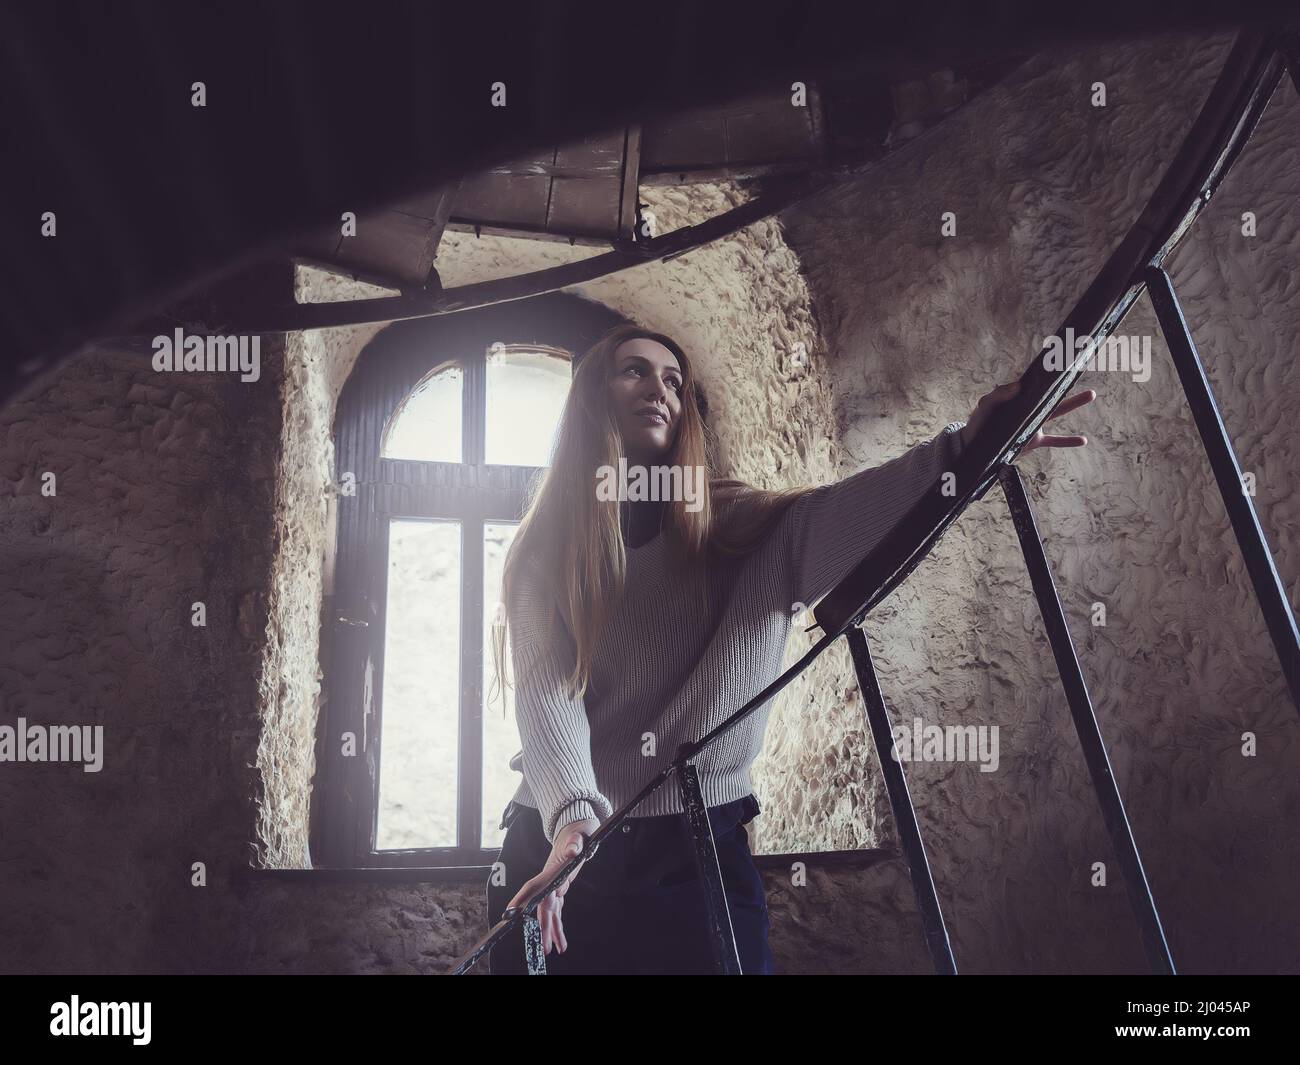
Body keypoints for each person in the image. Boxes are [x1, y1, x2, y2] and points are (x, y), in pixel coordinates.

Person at [484, 322, 1093, 974]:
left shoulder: (747, 530)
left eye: (673, 380)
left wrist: (968, 448)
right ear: (592, 398)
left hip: (696, 848)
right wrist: (573, 825)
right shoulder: (544, 553)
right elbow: (548, 691)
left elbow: (855, 511)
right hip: (555, 847)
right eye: (634, 370)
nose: (658, 388)